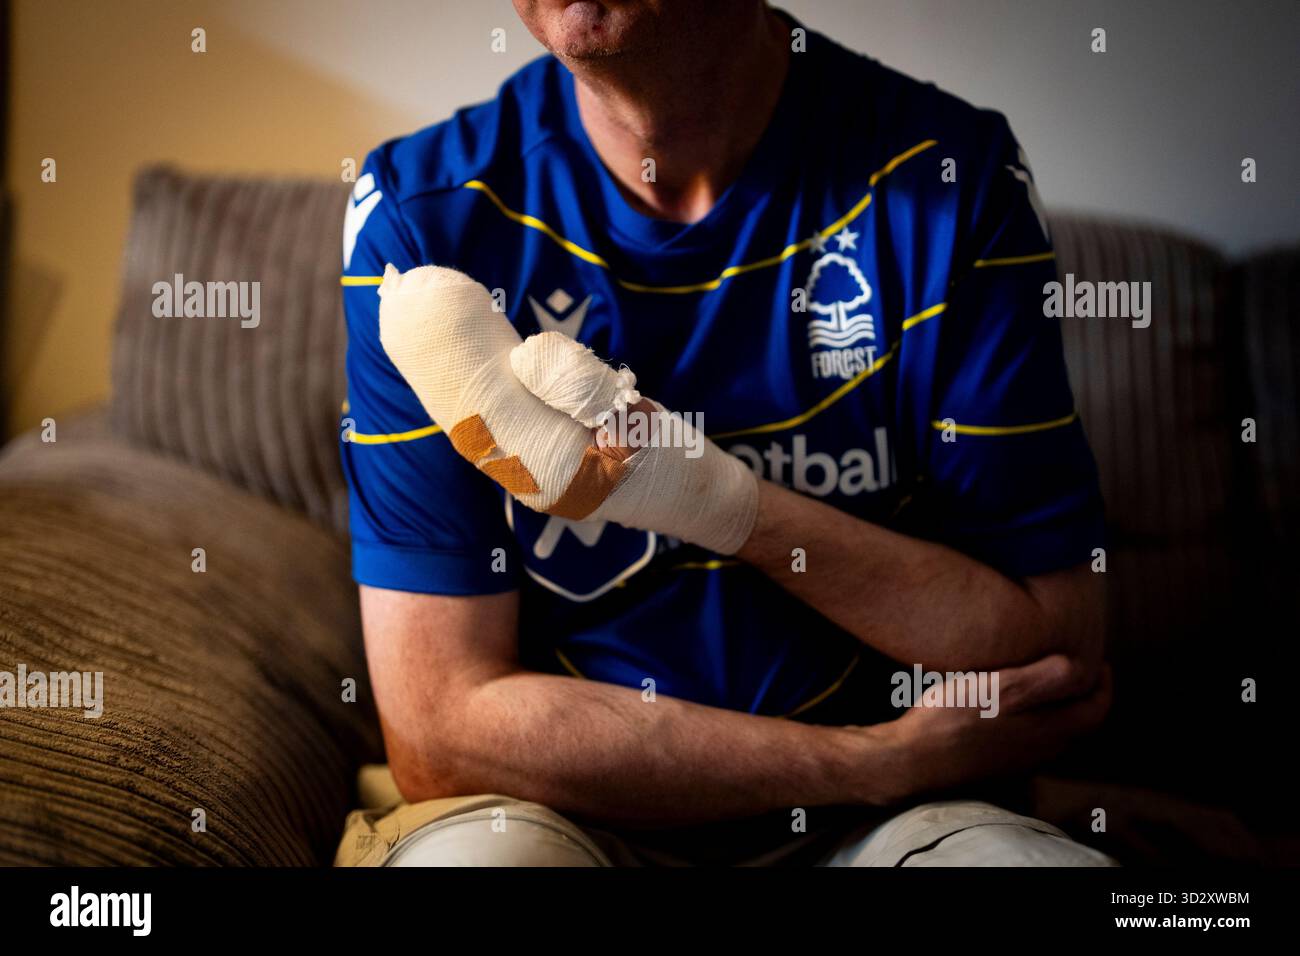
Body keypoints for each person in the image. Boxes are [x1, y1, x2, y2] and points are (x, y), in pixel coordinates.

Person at [335, 0, 1113, 866]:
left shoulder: (948, 176)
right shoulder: (419, 218)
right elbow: (439, 733)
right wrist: (872, 762)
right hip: (560, 808)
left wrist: (714, 501)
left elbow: (1054, 653)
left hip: (898, 825)